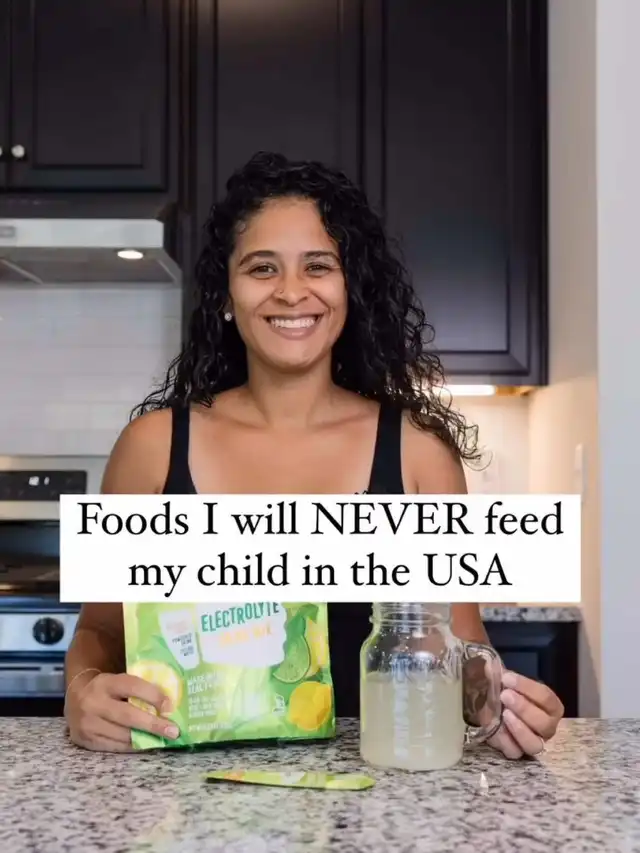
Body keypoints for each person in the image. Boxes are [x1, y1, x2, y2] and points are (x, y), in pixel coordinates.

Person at [64, 151, 564, 757]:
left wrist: (502, 706)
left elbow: (459, 648)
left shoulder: (418, 455)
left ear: (349, 288)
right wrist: (82, 691)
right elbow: (100, 630)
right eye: (262, 268)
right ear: (226, 294)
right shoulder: (152, 448)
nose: (291, 291)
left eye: (319, 266)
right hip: (185, 787)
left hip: (374, 787)